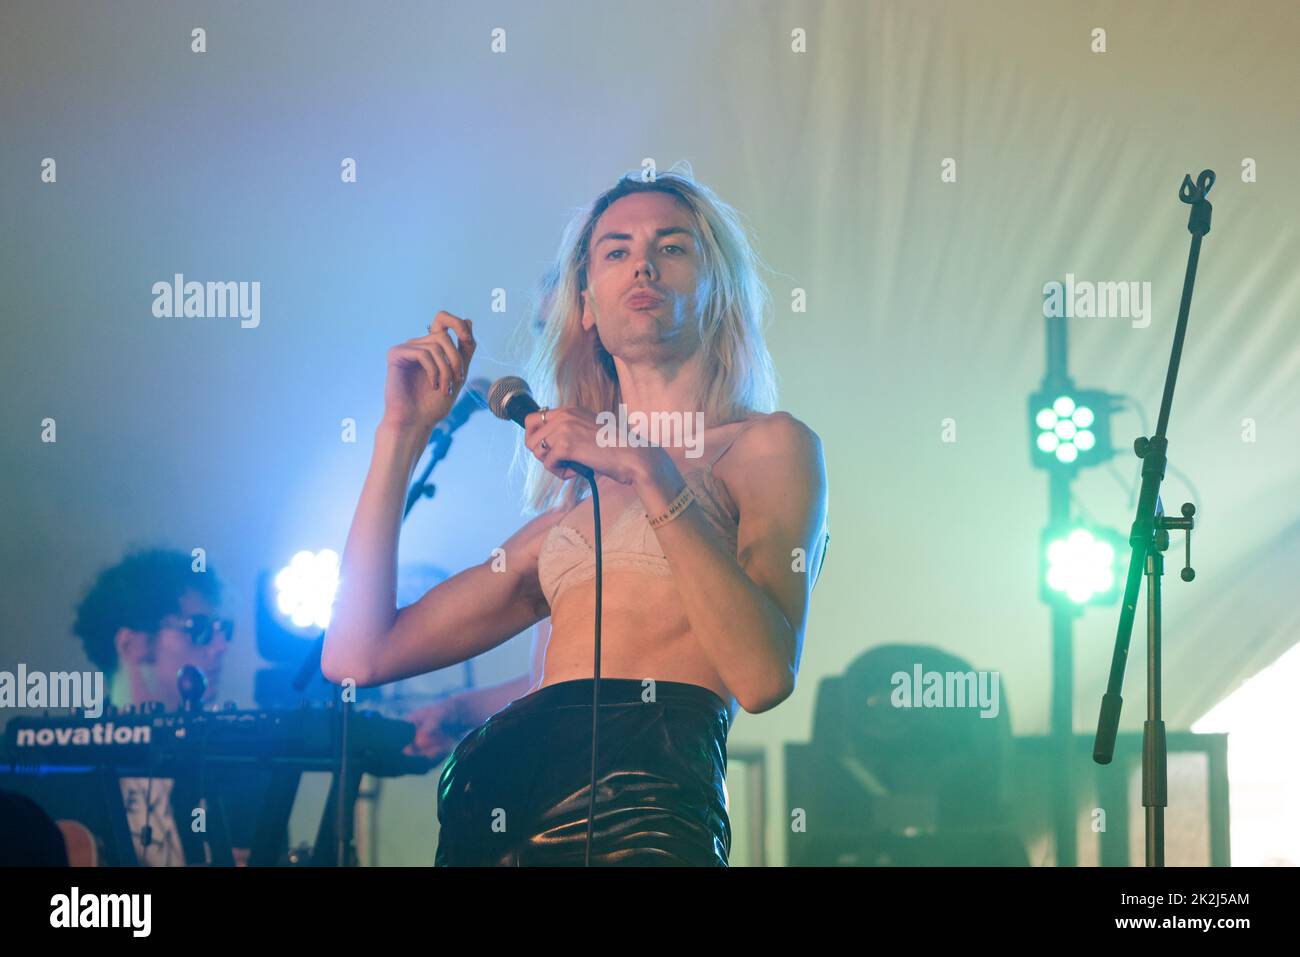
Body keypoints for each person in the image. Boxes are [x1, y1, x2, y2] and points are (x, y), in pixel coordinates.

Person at [324, 168, 829, 866]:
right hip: (498, 818)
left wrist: (647, 467)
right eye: (616, 250)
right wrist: (399, 436)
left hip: (646, 823)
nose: (644, 264)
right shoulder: (572, 518)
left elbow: (764, 673)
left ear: (717, 291)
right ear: (587, 305)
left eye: (673, 247)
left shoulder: (768, 446)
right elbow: (358, 652)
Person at [71, 547, 269, 865]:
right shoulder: (61, 765)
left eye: (224, 630)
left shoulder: (243, 766)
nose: (221, 646)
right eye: (199, 629)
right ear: (131, 644)